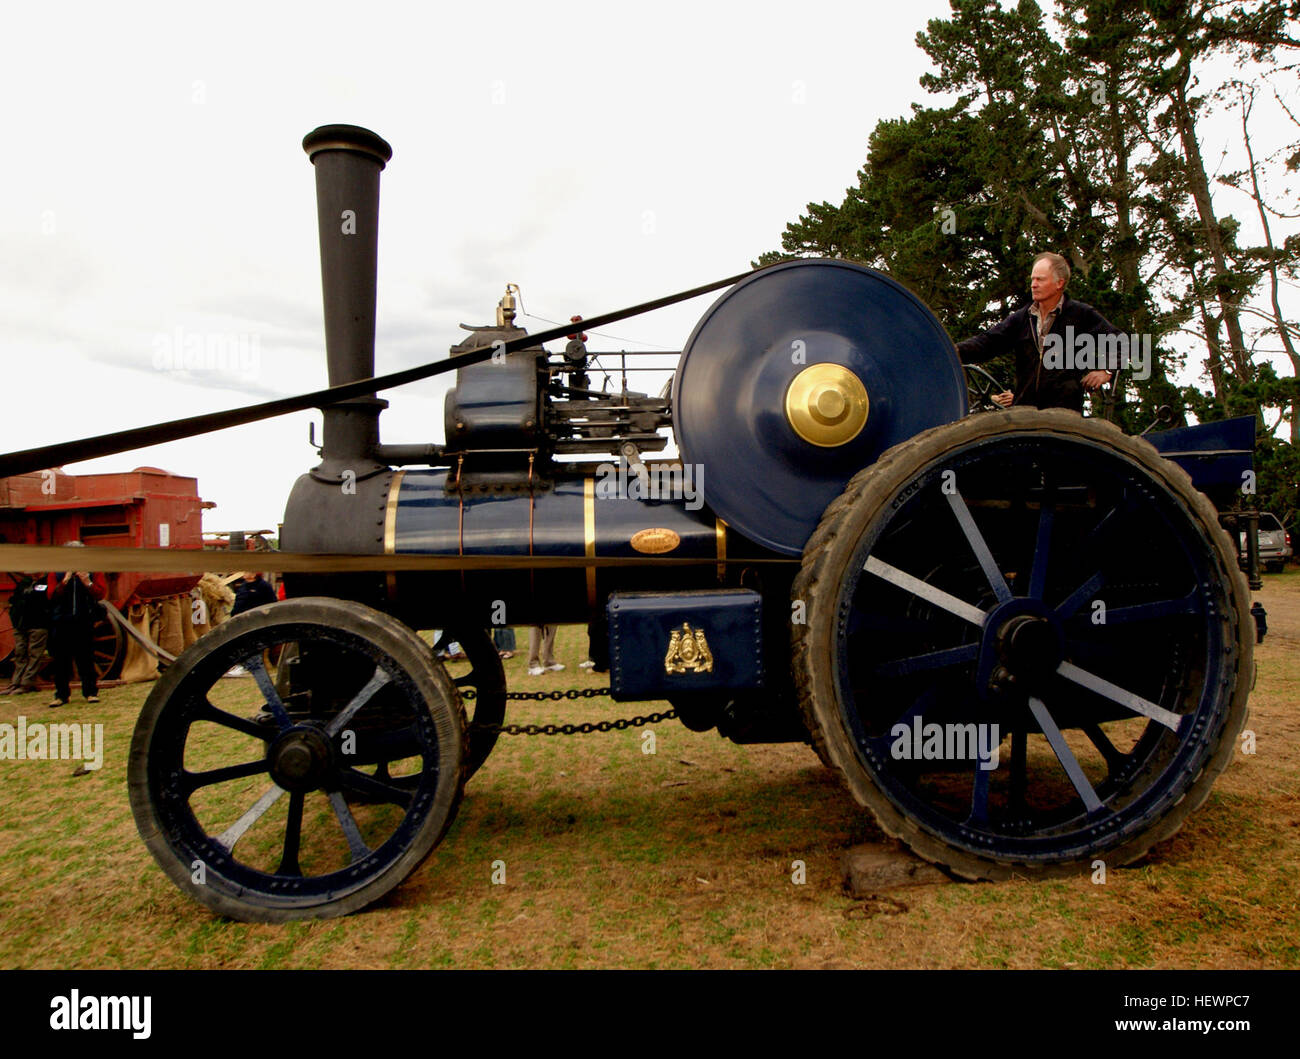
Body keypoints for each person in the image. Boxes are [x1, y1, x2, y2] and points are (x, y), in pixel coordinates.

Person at [956, 252, 1120, 413]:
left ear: (1059, 283)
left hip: (1064, 414)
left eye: (1040, 279)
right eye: (1032, 279)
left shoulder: (1080, 314)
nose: (1033, 284)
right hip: (1025, 412)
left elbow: (1120, 342)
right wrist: (951, 351)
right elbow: (988, 342)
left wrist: (1106, 371)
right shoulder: (1022, 318)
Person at [48, 545, 107, 707]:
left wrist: (87, 582)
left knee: (86, 659)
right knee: (61, 661)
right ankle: (61, 695)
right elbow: (51, 595)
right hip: (61, 622)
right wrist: (65, 581)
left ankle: (90, 693)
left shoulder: (93, 572)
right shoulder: (56, 573)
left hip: (84, 621)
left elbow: (101, 593)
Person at [4, 572, 50, 695]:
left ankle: (27, 683)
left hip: (38, 623)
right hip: (20, 624)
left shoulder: (46, 583)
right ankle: (16, 683)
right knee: (20, 653)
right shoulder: (25, 583)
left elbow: (42, 599)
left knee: (34, 654)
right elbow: (15, 599)